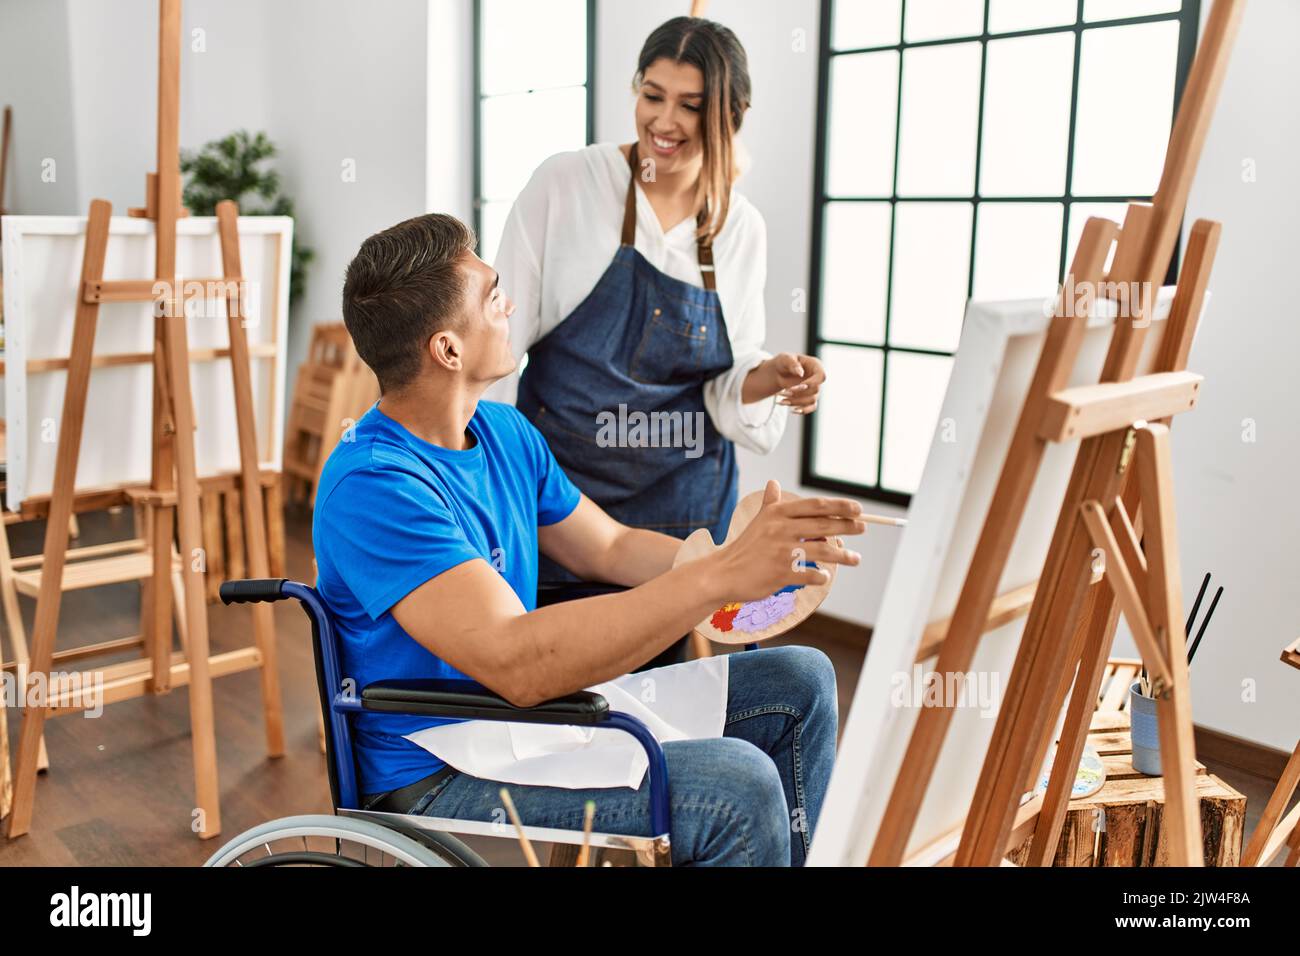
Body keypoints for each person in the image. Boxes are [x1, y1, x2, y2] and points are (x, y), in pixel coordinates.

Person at [313, 213, 867, 865]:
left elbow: (609, 548)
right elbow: (516, 664)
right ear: (448, 350)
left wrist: (745, 563)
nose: (509, 304)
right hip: (438, 761)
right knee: (734, 785)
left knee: (800, 679)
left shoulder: (503, 433)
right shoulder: (376, 486)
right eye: (493, 297)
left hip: (521, 723)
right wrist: (717, 578)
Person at [490, 18, 827, 668]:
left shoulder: (738, 228)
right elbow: (498, 354)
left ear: (733, 114)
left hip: (681, 510)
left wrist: (771, 378)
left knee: (661, 710)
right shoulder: (567, 187)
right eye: (652, 95)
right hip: (565, 505)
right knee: (566, 698)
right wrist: (494, 495)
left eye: (690, 105)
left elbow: (726, 391)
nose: (664, 121)